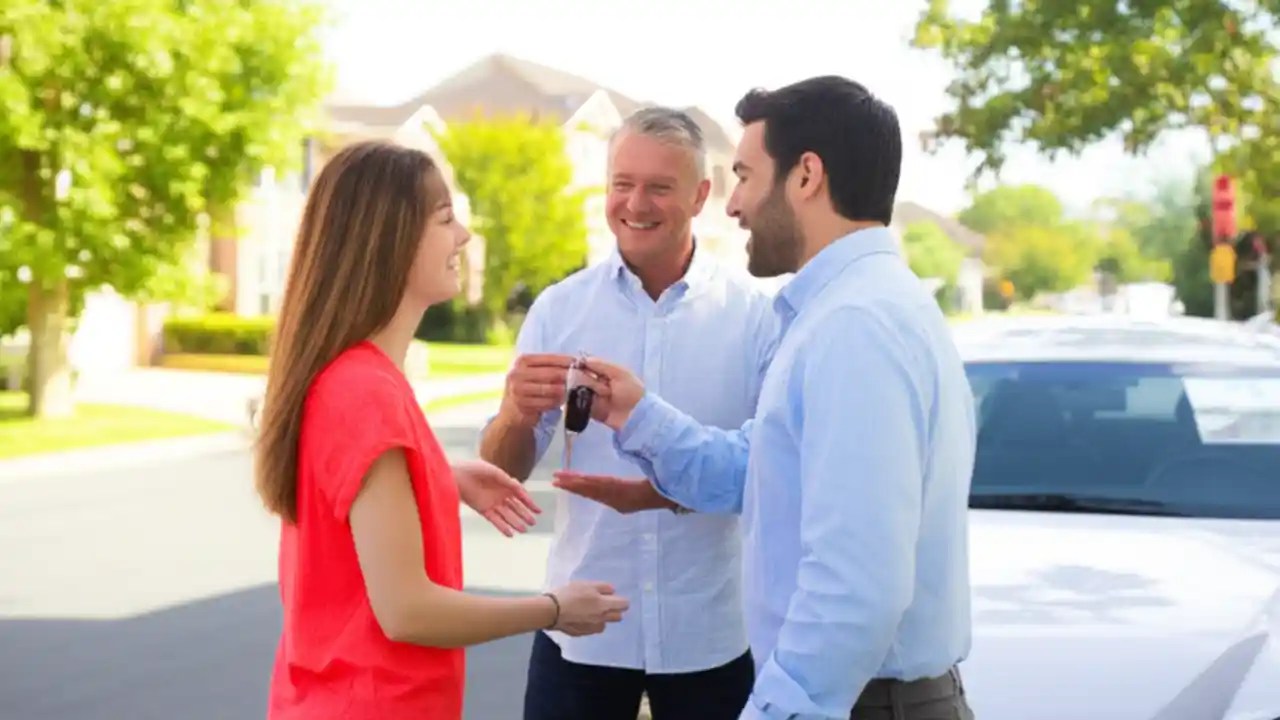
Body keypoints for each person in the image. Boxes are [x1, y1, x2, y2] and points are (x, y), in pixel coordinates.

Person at [554, 76, 978, 720]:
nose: (733, 206)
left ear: (806, 176)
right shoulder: (846, 311)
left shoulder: (854, 327)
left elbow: (855, 588)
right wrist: (637, 414)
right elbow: (751, 471)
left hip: (858, 704)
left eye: (746, 177)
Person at [253, 140, 630, 720]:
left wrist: (439, 476)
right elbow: (408, 611)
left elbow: (348, 498)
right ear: (390, 238)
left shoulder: (351, 378)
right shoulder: (366, 392)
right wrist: (554, 608)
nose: (463, 237)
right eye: (445, 218)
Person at [477, 107, 778, 720]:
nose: (635, 203)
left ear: (699, 196)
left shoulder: (757, 318)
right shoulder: (559, 310)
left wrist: (661, 495)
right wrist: (512, 413)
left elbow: (771, 474)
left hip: (709, 642)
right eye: (622, 182)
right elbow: (504, 467)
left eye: (659, 187)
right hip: (580, 638)